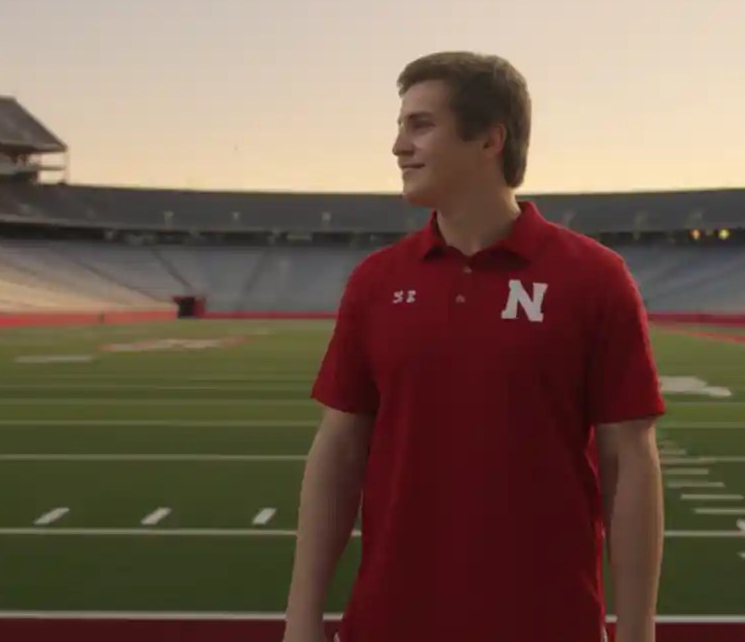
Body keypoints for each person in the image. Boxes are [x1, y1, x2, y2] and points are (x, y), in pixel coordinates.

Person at [282, 51, 665, 642]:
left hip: (547, 625)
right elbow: (339, 450)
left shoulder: (594, 277)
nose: (398, 146)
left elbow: (630, 462)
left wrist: (638, 634)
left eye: (421, 125)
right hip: (389, 626)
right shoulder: (375, 282)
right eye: (400, 125)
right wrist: (302, 621)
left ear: (490, 140)